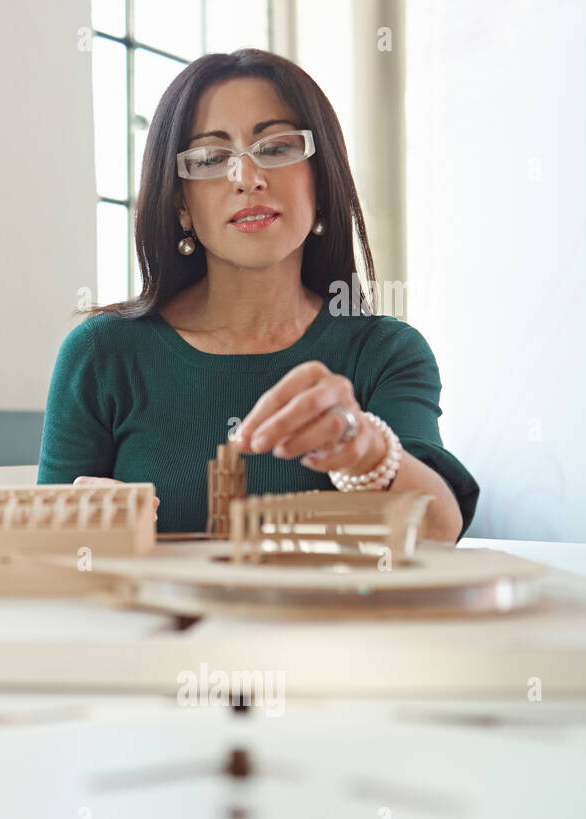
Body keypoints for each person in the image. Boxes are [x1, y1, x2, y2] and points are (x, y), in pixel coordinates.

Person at [38, 48, 477, 542]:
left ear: (321, 183)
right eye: (210, 158)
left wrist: (368, 452)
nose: (247, 178)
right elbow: (46, 558)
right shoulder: (101, 355)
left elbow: (439, 531)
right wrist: (77, 521)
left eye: (275, 148)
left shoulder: (385, 353)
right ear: (181, 205)